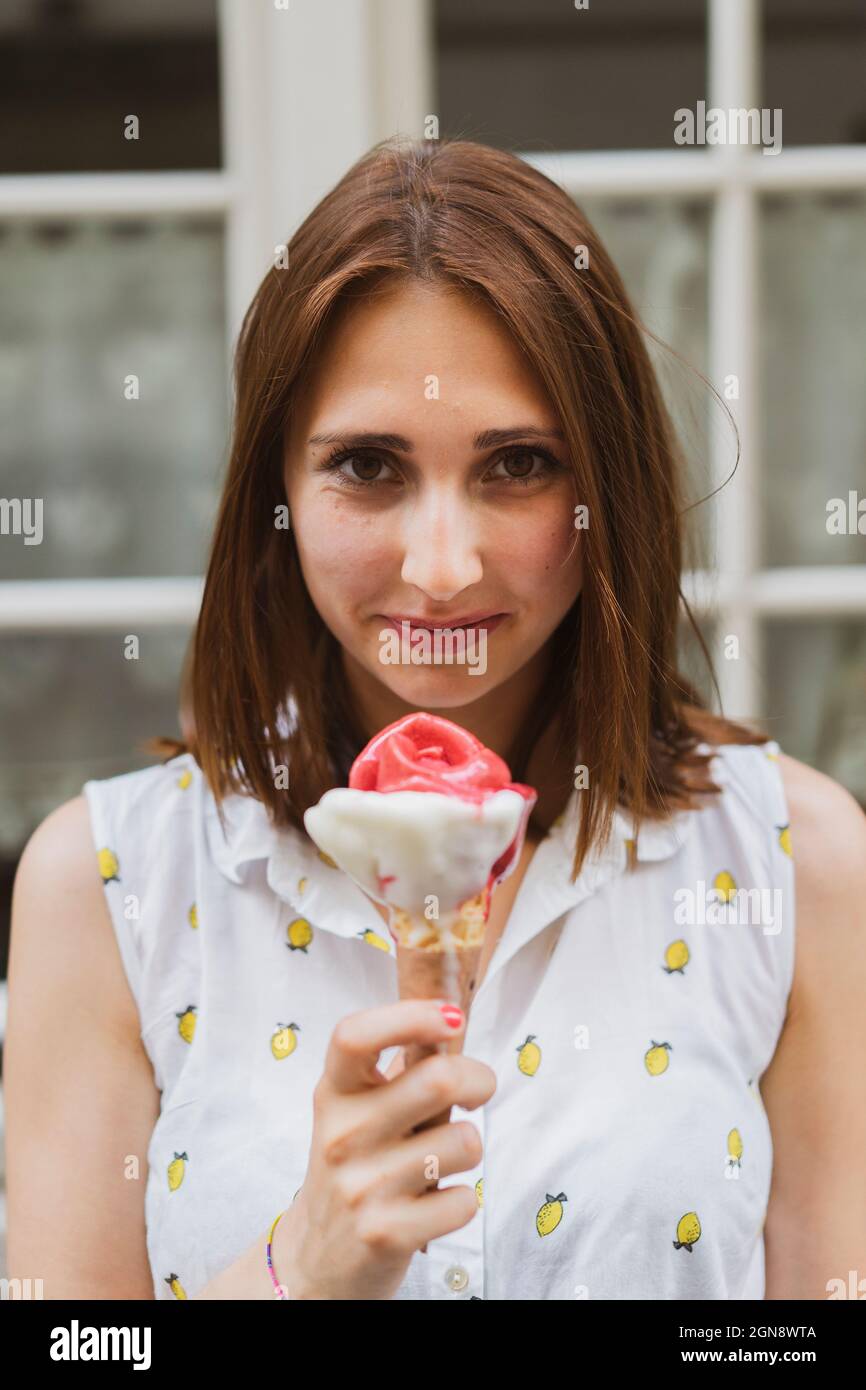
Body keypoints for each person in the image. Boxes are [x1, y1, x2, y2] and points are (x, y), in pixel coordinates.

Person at [6, 137, 865, 1302]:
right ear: (276, 496)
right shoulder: (108, 887)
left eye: (517, 464)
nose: (442, 566)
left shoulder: (791, 862)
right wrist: (296, 1267)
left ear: (601, 489)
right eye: (368, 465)